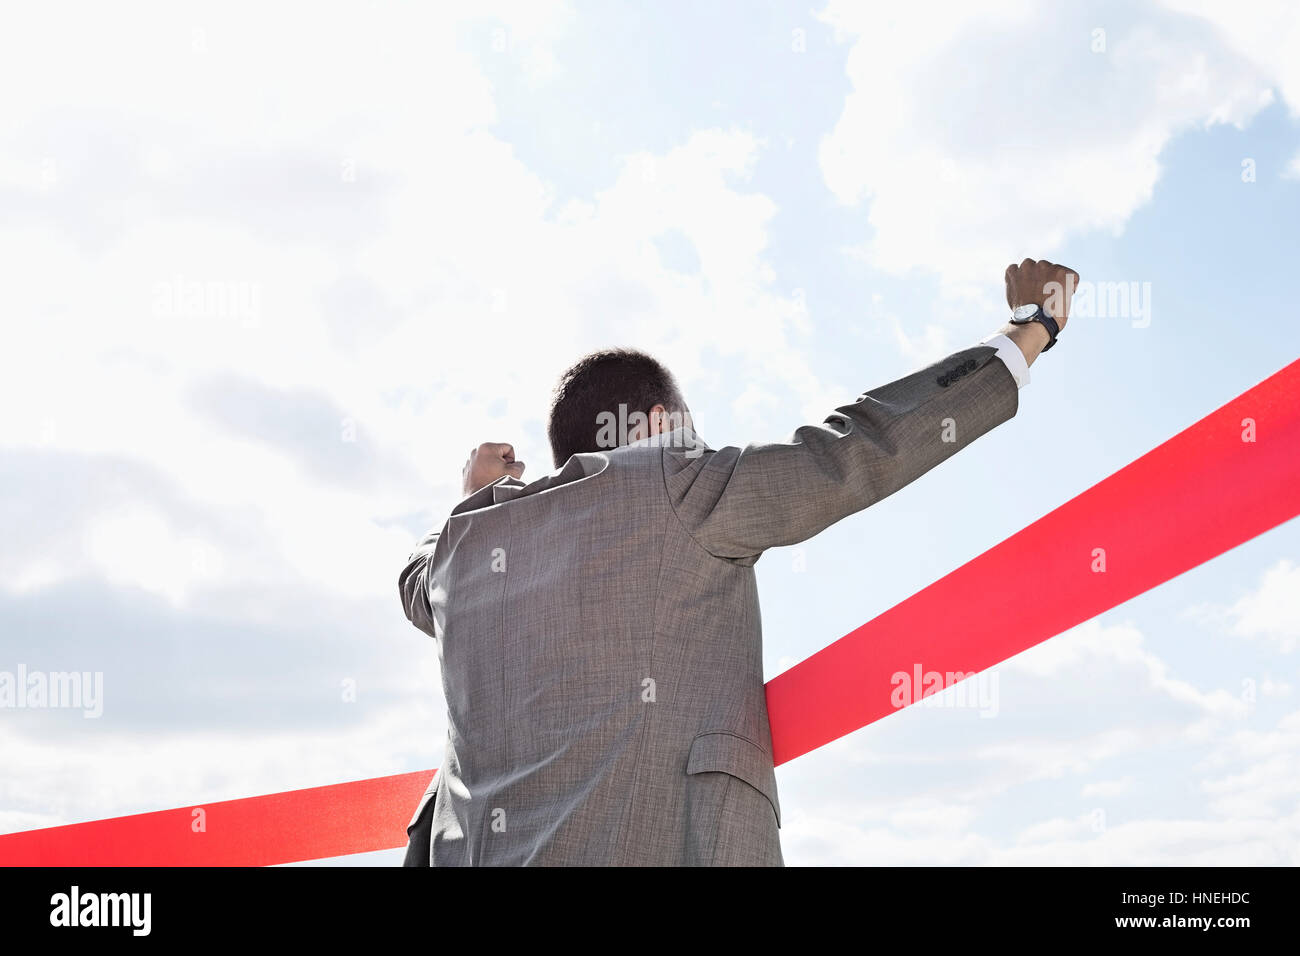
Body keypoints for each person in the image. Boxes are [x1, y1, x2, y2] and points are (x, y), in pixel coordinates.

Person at [400, 258, 1080, 866]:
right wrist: (1029, 330)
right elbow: (853, 451)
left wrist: (475, 500)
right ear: (656, 425)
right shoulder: (677, 483)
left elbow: (415, 584)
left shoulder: (465, 552)